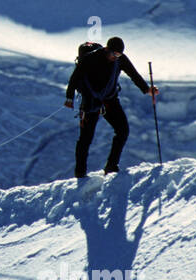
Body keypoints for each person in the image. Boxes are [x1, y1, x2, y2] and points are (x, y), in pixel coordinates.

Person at [65, 36, 158, 178]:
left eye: (118, 54)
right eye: (114, 54)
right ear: (107, 49)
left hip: (110, 100)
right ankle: (80, 172)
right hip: (90, 102)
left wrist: (146, 89)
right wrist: (69, 97)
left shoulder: (120, 59)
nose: (115, 57)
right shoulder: (90, 58)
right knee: (86, 138)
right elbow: (75, 78)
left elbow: (133, 74)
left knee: (123, 130)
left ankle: (111, 166)